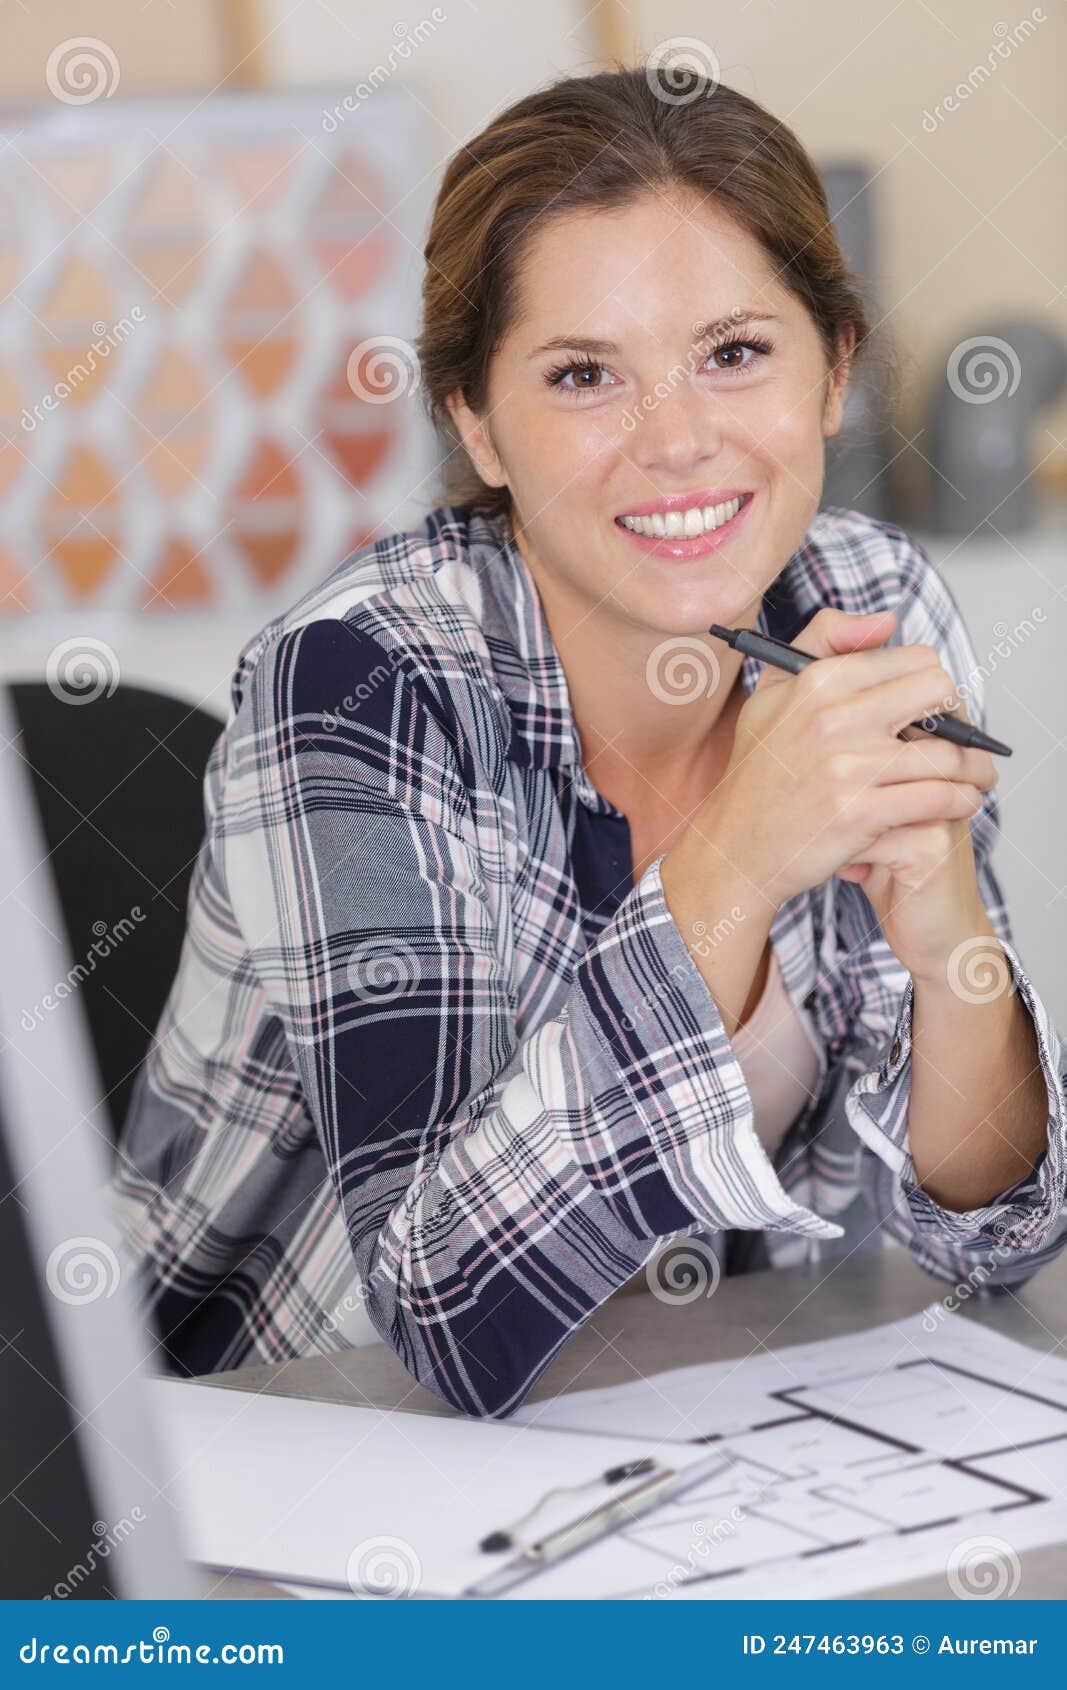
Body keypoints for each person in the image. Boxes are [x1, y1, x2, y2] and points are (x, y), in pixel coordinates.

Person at [112, 66, 1066, 1416]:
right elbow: (444, 1318)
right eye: (582, 375)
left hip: (701, 1434)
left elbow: (997, 1234)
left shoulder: (873, 605)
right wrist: (732, 861)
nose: (675, 441)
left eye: (735, 353)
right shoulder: (357, 687)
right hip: (294, 1451)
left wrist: (944, 919)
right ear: (476, 422)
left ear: (835, 369)